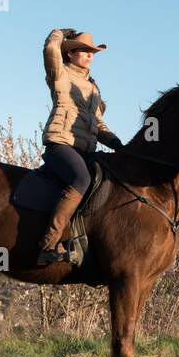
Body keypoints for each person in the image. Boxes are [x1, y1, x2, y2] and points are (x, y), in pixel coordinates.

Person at [36, 28, 125, 265]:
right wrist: (57, 33)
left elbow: (98, 123)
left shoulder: (93, 88)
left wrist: (116, 143)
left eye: (92, 52)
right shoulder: (60, 75)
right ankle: (48, 244)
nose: (90, 55)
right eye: (84, 50)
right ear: (70, 53)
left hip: (86, 149)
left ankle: (82, 240)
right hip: (61, 144)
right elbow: (50, 50)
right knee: (81, 179)